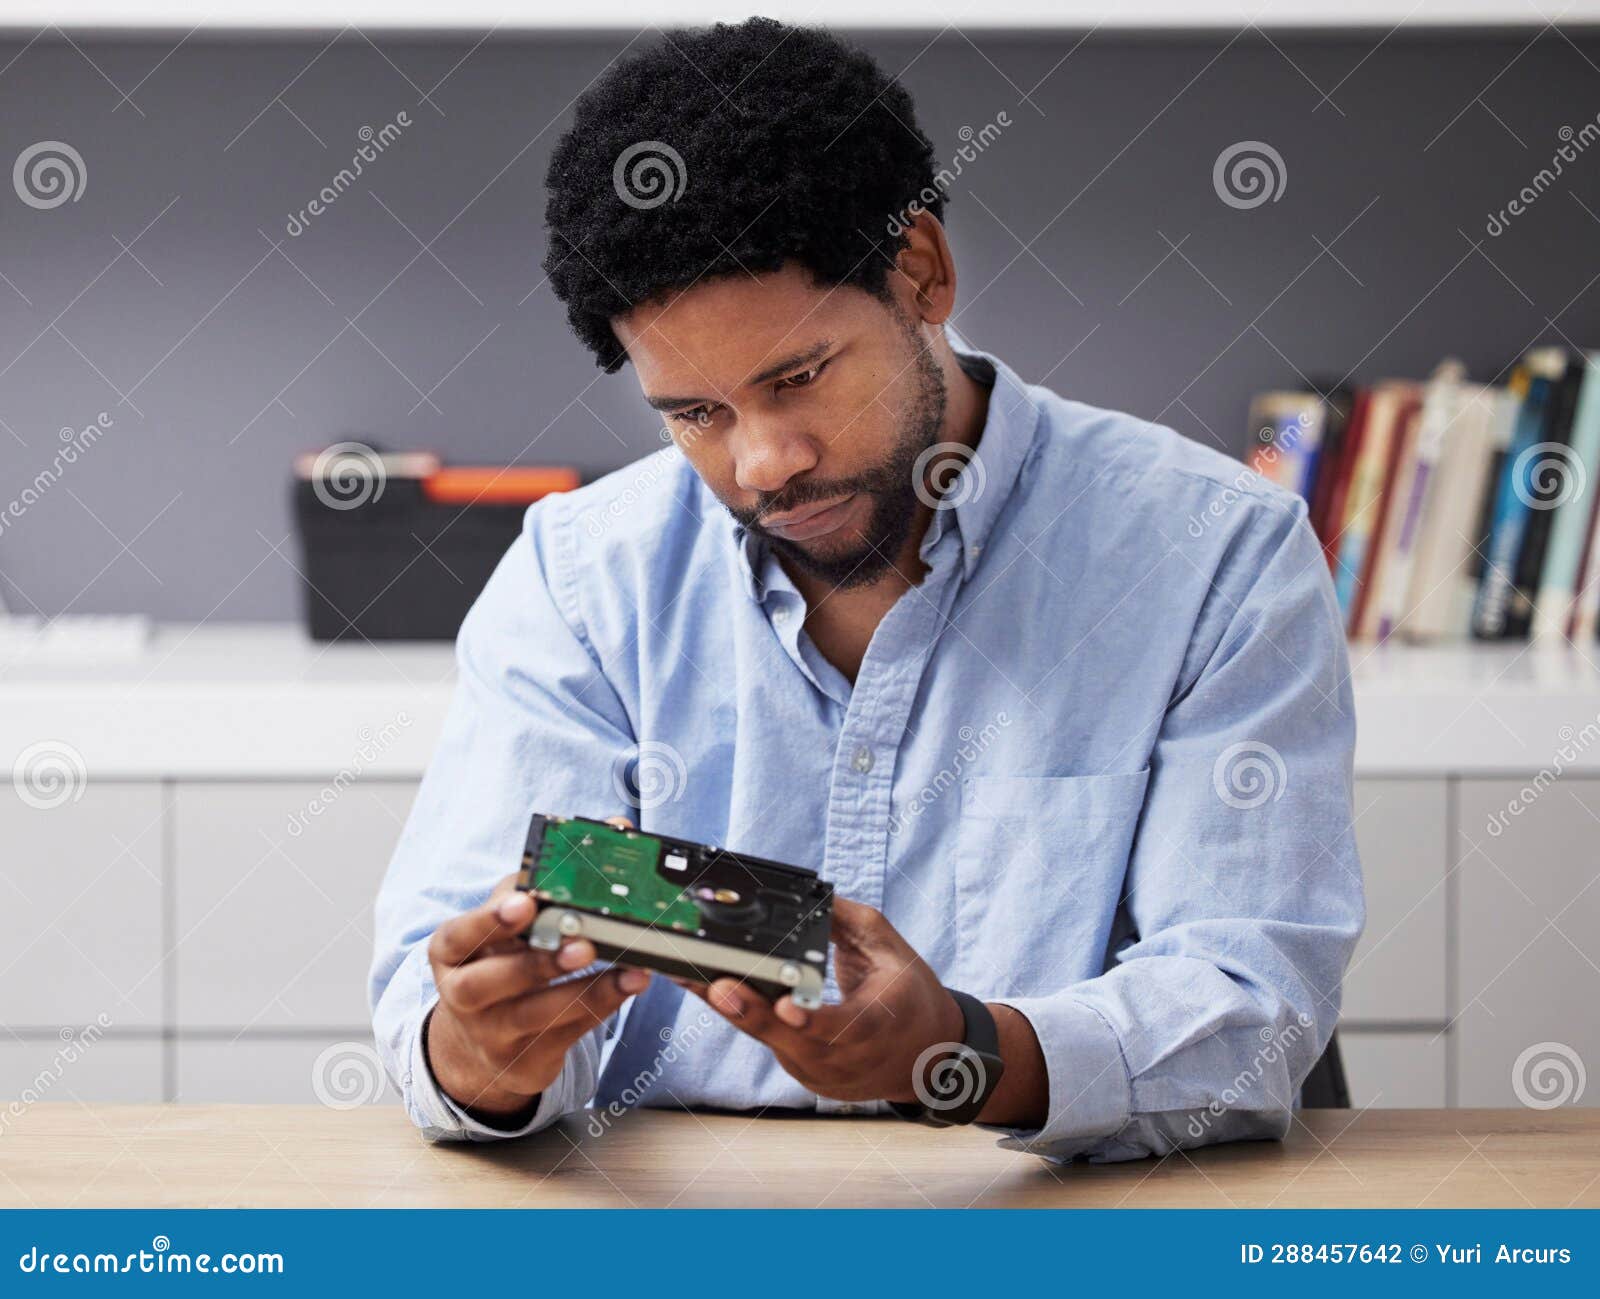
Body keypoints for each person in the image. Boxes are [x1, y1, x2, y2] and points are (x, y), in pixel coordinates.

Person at [370, 16, 1363, 1163]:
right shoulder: (580, 574)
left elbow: (1249, 1008)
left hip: (1060, 1216)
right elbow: (432, 996)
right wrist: (483, 1054)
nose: (763, 463)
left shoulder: (1214, 553)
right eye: (695, 413)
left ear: (921, 272)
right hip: (679, 1220)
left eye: (798, 376)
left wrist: (960, 1051)